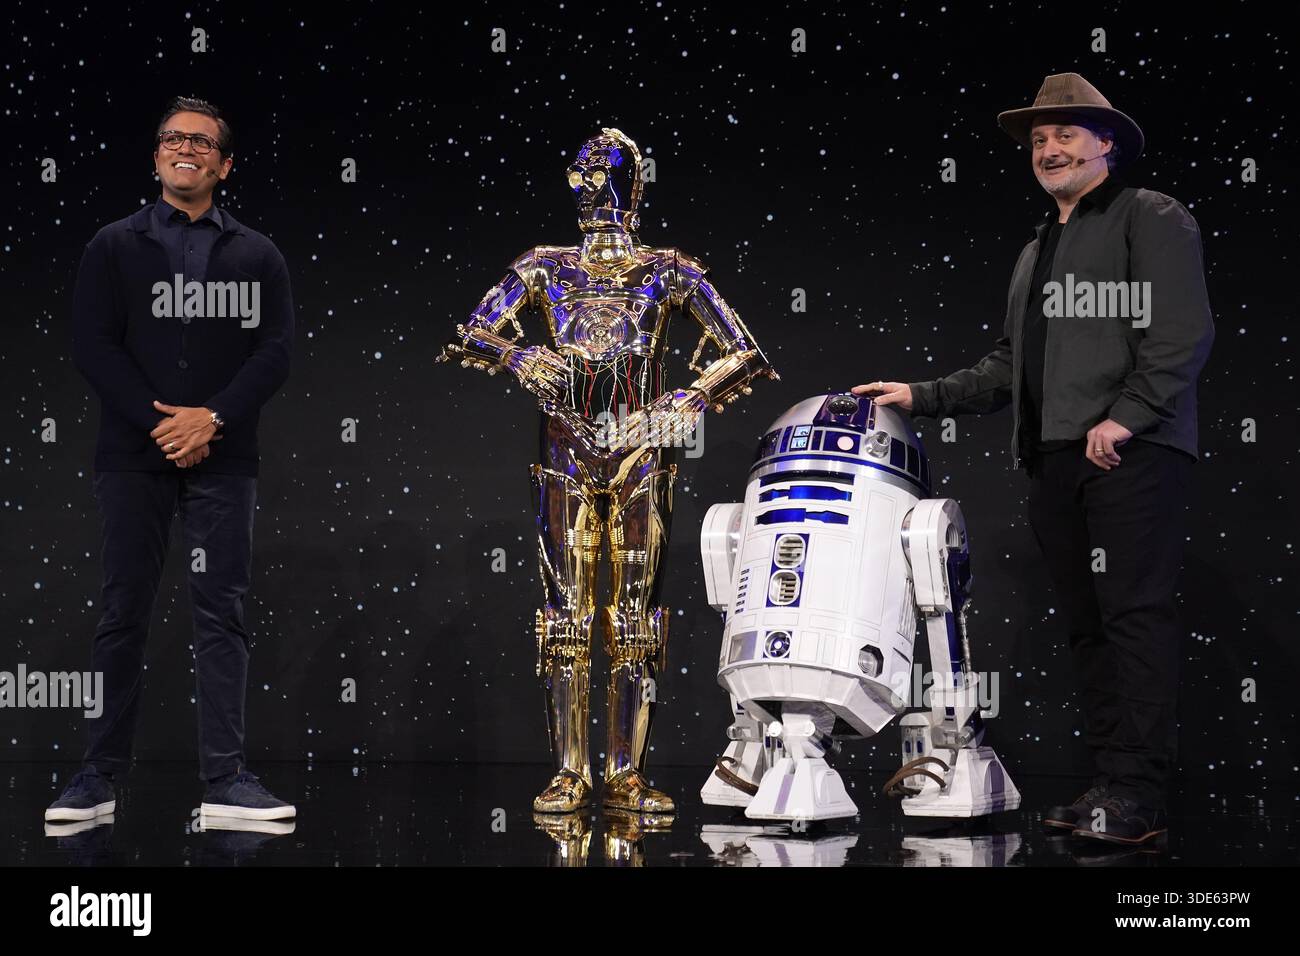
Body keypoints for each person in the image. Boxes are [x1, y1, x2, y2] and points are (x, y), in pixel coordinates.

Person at [854, 73, 1214, 847]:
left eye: (1067, 134)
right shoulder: (1036, 251)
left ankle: (1139, 793)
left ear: (1106, 142)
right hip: (1055, 460)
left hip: (1130, 454)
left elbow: (1181, 331)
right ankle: (1111, 786)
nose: (1049, 148)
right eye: (1039, 139)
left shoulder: (1147, 216)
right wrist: (922, 395)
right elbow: (1009, 364)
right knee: (1088, 629)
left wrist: (1125, 419)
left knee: (1133, 621)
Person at [46, 96, 297, 824]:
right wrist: (163, 426)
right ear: (157, 155)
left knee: (222, 612)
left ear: (223, 163)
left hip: (224, 458)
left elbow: (275, 352)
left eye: (201, 141)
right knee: (122, 610)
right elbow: (94, 345)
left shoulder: (256, 253)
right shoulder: (113, 245)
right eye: (172, 138)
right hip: (133, 457)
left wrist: (211, 419)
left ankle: (226, 782)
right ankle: (97, 778)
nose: (184, 148)